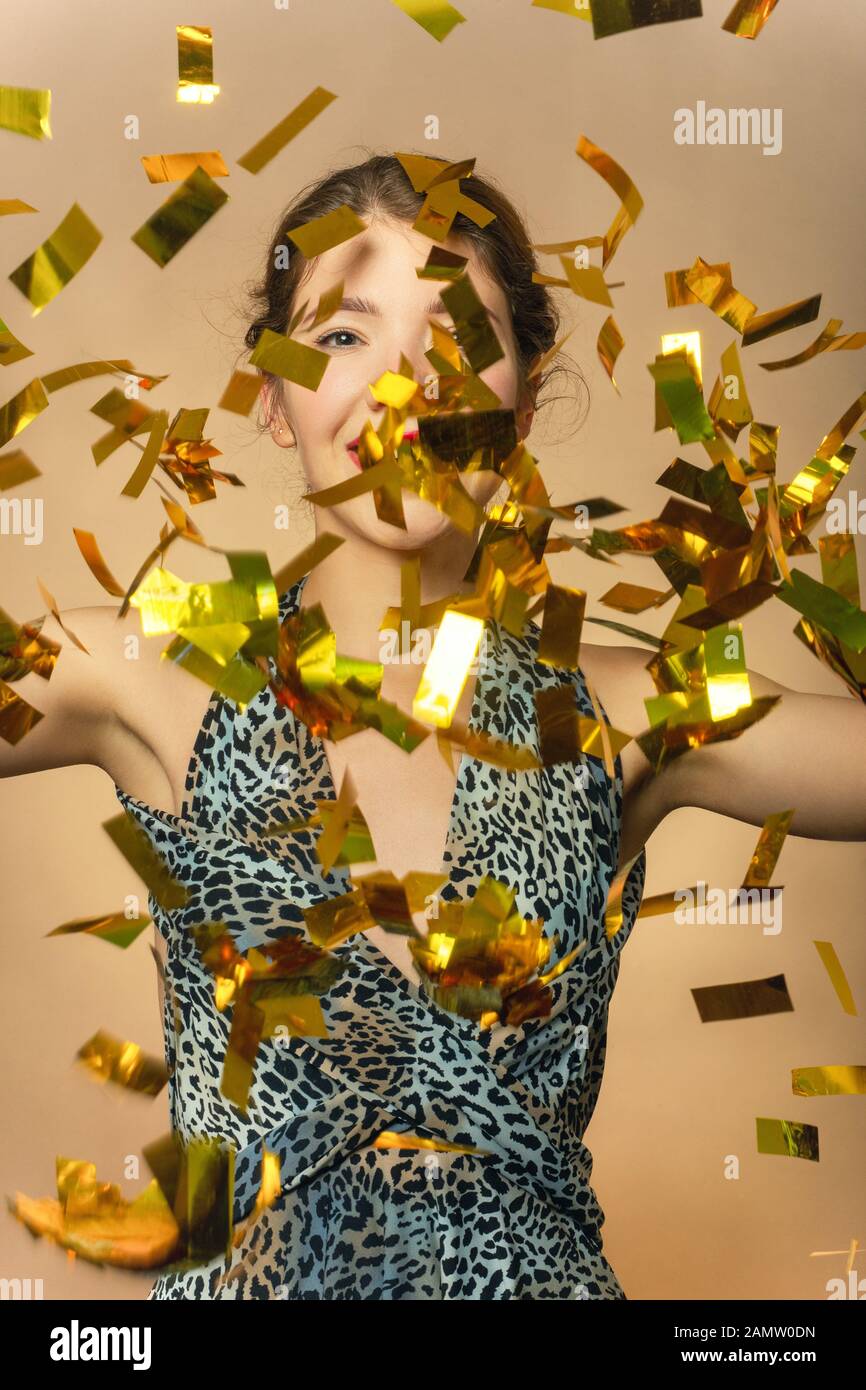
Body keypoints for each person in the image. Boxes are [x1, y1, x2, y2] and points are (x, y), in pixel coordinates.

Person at [3, 152, 864, 1300]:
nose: (406, 386)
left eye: (458, 338)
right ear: (269, 388)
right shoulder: (153, 670)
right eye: (347, 336)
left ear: (525, 387)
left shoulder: (624, 707)